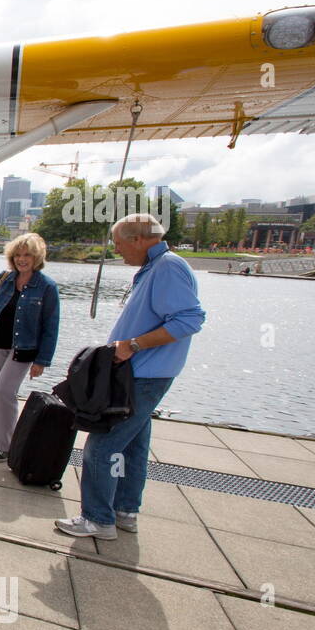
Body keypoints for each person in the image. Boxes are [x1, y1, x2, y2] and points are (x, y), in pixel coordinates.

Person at [55, 213, 205, 540]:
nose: (117, 251)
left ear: (139, 239)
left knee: (102, 444)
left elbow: (190, 320)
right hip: (143, 373)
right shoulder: (157, 267)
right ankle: (125, 511)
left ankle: (97, 519)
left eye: (119, 244)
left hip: (143, 375)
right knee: (133, 445)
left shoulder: (168, 267)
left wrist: (133, 345)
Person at [0, 233, 60, 461]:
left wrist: (42, 361)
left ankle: (5, 445)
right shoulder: (5, 279)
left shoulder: (46, 287)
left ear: (37, 257)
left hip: (24, 349)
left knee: (4, 392)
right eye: (17, 254)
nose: (22, 259)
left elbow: (51, 325)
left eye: (27, 254)